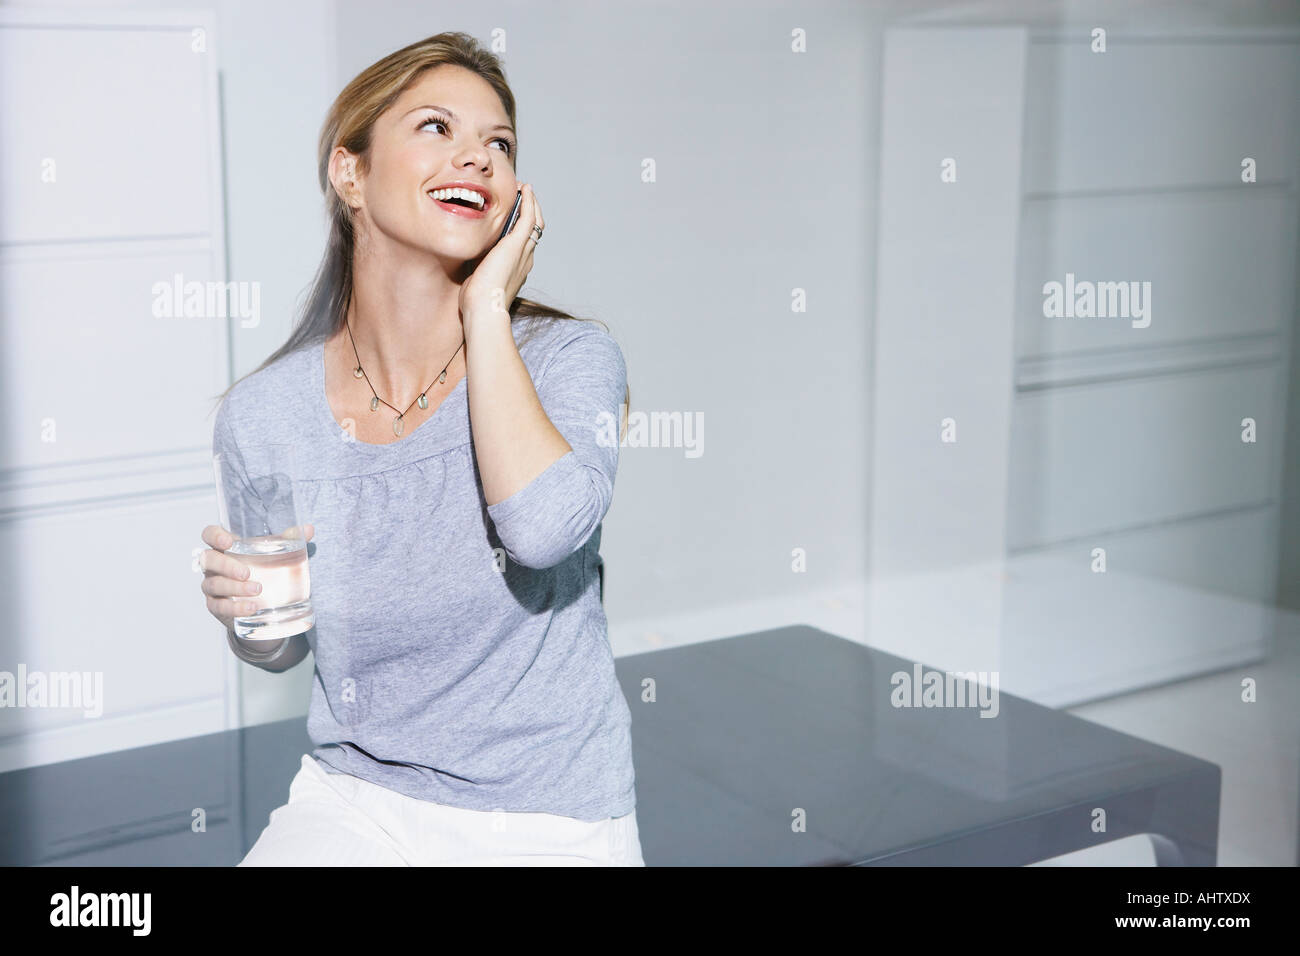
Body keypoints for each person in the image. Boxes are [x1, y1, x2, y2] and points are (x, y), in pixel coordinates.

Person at [198, 31, 642, 865]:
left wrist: (486, 315)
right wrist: (246, 617)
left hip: (550, 814)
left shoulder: (570, 361)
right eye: (437, 128)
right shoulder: (261, 417)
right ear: (350, 173)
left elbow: (541, 529)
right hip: (355, 799)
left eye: (499, 144)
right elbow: (281, 645)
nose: (476, 156)